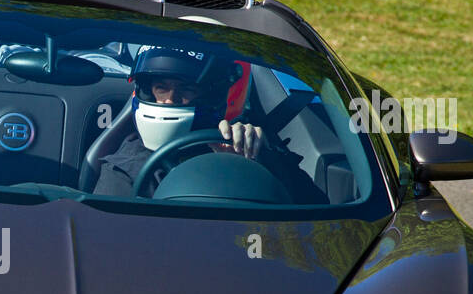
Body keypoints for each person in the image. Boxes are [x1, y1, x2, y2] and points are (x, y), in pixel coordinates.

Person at [93, 46, 323, 201]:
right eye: (161, 87)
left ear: (216, 96)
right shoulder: (125, 167)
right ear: (147, 92)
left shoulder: (257, 147)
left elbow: (315, 215)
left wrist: (253, 163)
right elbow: (108, 241)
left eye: (187, 89)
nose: (170, 100)